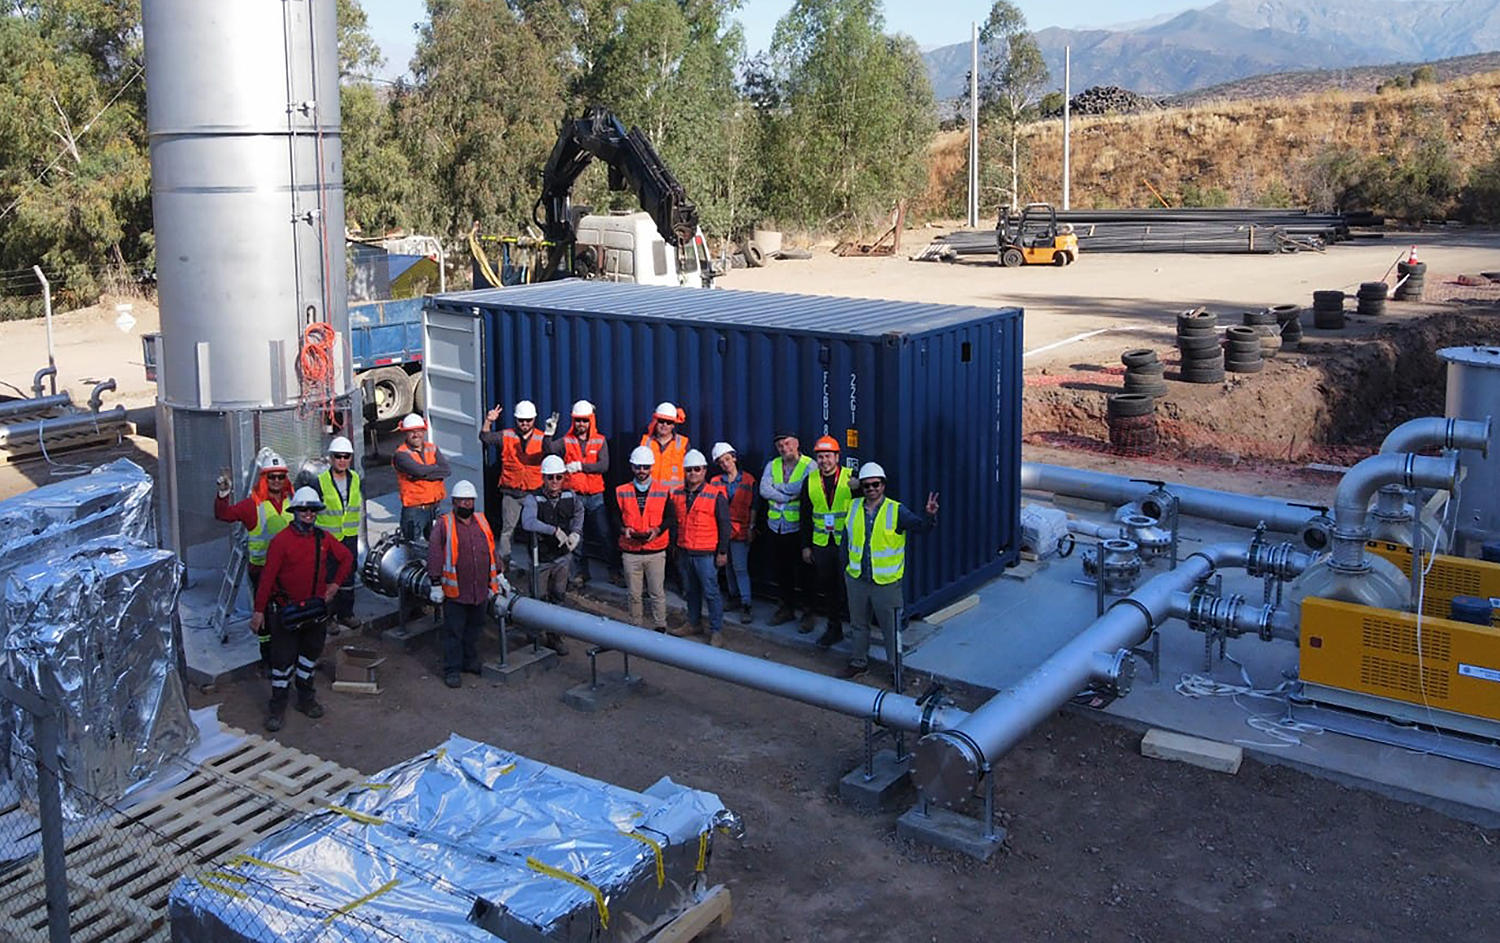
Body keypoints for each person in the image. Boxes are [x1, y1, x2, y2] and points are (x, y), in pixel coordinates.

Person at [251, 487, 353, 732]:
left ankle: (306, 699)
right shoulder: (280, 542)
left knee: (309, 657)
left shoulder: (323, 538)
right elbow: (266, 578)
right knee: (281, 662)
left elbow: (347, 558)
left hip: (314, 612)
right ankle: (277, 707)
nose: (308, 514)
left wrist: (335, 585)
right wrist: (259, 611)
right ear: (295, 512)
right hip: (285, 613)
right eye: (303, 509)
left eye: (312, 510)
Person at [841, 462, 938, 680]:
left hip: (886, 584)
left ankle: (896, 671)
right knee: (858, 625)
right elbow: (846, 541)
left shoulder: (896, 510)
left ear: (883, 485)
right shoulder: (853, 507)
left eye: (876, 484)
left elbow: (922, 528)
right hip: (857, 579)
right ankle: (859, 662)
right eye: (867, 486)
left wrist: (930, 516)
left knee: (891, 630)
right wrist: (846, 571)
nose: (871, 489)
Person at [215, 448, 293, 662]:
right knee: (265, 617)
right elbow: (223, 515)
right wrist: (223, 493)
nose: (277, 481)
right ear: (264, 478)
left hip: (287, 571)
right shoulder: (253, 506)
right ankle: (268, 659)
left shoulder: (292, 502)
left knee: (290, 612)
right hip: (261, 571)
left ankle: (288, 653)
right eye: (272, 476)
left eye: (280, 476)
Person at [426, 480, 500, 688]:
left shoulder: (482, 521)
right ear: (454, 502)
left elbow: (492, 549)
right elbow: (435, 553)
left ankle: (469, 661)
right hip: (456, 591)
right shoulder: (444, 524)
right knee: (454, 632)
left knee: (475, 629)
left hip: (479, 590)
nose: (467, 504)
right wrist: (435, 583)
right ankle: (452, 669)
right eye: (463, 501)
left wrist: (499, 574)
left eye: (470, 500)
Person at [544, 399, 617, 587]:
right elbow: (549, 451)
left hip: (595, 497)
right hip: (574, 497)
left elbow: (604, 465)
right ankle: (581, 573)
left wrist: (581, 466)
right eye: (578, 420)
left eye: (584, 420)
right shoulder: (567, 441)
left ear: (590, 421)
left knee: (605, 534)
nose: (581, 424)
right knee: (577, 537)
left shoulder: (599, 440)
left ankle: (615, 571)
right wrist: (548, 434)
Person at [520, 454, 582, 654]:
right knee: (537, 597)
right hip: (541, 558)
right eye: (550, 477)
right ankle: (534, 635)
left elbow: (580, 512)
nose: (555, 482)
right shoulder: (533, 499)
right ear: (543, 478)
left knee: (558, 597)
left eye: (558, 477)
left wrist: (576, 532)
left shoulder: (570, 497)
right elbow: (528, 522)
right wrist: (553, 530)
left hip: (562, 558)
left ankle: (554, 637)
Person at [671, 449, 730, 646]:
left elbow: (724, 525)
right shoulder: (677, 493)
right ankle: (694, 623)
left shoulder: (715, 495)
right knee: (691, 591)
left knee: (711, 593)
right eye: (689, 470)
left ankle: (716, 630)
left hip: (706, 554)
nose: (693, 473)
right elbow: (675, 522)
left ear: (704, 471)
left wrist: (722, 551)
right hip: (685, 551)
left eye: (697, 469)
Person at [480, 400, 548, 570]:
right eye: (521, 420)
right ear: (516, 420)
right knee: (507, 530)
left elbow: (554, 450)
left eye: (528, 420)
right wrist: (489, 421)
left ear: (534, 419)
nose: (524, 424)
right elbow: (485, 437)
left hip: (533, 493)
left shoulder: (542, 438)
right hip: (511, 492)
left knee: (534, 531)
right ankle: (506, 563)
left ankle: (535, 563)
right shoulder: (507, 435)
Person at [801, 435, 855, 647]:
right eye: (820, 457)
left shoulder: (852, 479)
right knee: (829, 589)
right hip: (822, 544)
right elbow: (805, 516)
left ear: (837, 457)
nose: (824, 460)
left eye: (828, 456)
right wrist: (805, 546)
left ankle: (857, 632)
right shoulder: (811, 480)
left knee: (850, 589)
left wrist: (858, 486)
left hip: (848, 544)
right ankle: (834, 629)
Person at [615, 445, 674, 633]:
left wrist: (658, 530)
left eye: (645, 467)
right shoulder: (621, 490)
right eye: (638, 467)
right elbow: (614, 515)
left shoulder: (663, 490)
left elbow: (670, 517)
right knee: (634, 594)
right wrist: (623, 529)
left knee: (657, 592)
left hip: (655, 550)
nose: (642, 471)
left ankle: (660, 626)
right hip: (631, 550)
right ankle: (636, 627)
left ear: (651, 467)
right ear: (632, 467)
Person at [759, 430, 813, 629]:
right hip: (776, 527)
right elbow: (764, 489)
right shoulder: (772, 465)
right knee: (782, 571)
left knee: (805, 572)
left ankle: (808, 612)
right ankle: (786, 608)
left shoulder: (809, 465)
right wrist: (788, 496)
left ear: (797, 443)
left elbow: (804, 489)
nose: (784, 448)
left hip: (799, 528)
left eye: (788, 443)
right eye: (780, 446)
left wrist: (779, 489)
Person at [315, 435, 362, 632]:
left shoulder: (355, 478)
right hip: (329, 538)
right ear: (331, 458)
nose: (342, 460)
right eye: (338, 456)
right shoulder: (321, 481)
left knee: (348, 576)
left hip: (349, 536)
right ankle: (328, 617)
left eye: (346, 456)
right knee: (329, 577)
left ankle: (346, 614)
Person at [711, 441, 756, 623]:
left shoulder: (748, 480)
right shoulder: (715, 482)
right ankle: (733, 596)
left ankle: (746, 604)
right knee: (727, 566)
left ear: (734, 458)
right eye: (721, 462)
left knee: (739, 567)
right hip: (722, 531)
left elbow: (754, 506)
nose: (725, 464)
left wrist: (752, 528)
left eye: (727, 460)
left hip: (741, 530)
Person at [392, 413, 450, 541]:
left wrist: (422, 474)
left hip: (435, 508)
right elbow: (419, 471)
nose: (416, 435)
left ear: (424, 431)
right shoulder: (401, 455)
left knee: (438, 546)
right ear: (405, 433)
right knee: (412, 548)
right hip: (414, 511)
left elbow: (446, 470)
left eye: (419, 431)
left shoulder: (432, 448)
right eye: (411, 432)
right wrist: (433, 471)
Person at [640, 401, 689, 491]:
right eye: (661, 421)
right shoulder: (645, 442)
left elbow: (691, 472)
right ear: (655, 421)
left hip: (675, 497)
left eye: (669, 422)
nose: (664, 425)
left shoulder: (683, 443)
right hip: (651, 495)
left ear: (673, 425)